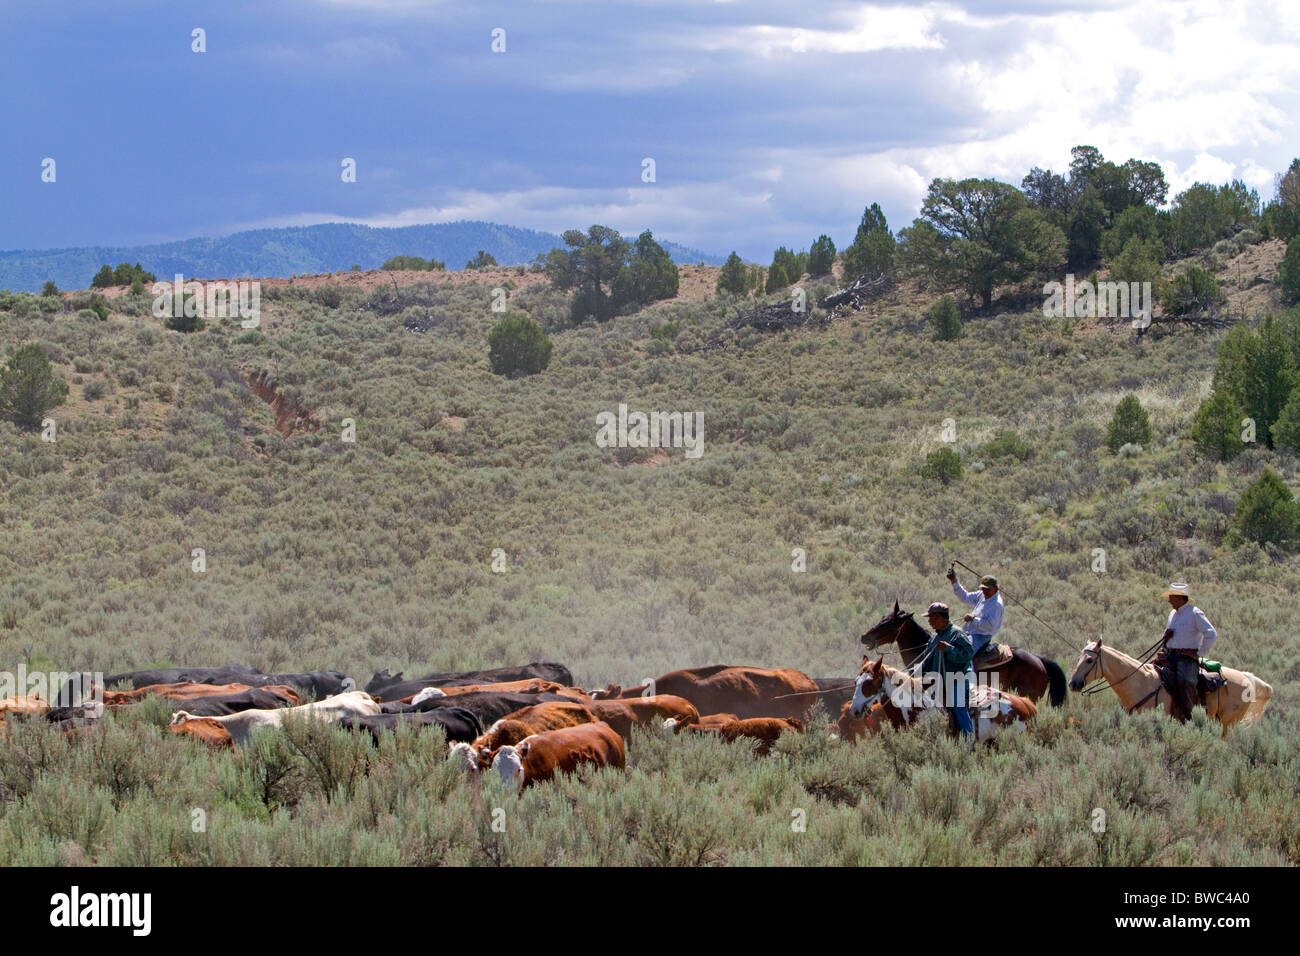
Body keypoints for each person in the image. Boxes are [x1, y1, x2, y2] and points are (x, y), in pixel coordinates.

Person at [1158, 583, 1218, 722]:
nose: (1169, 600)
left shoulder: (1195, 613)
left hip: (1187, 658)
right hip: (1170, 654)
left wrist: (1199, 653)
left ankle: (1192, 718)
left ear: (1179, 598)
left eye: (1171, 597)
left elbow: (1211, 634)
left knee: (1185, 681)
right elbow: (1169, 634)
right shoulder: (1173, 613)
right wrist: (1165, 642)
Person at [923, 602, 974, 737]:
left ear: (942, 618)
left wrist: (949, 649)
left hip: (958, 679)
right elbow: (927, 660)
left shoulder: (957, 634)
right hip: (938, 682)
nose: (929, 622)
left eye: (932, 618)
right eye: (929, 619)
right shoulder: (934, 637)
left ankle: (969, 738)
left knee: (958, 705)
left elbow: (968, 654)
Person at [947, 565, 1004, 662]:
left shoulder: (996, 605)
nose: (984, 591)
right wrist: (954, 581)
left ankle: (970, 676)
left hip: (981, 637)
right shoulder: (982, 595)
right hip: (968, 632)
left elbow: (990, 627)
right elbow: (965, 597)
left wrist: (973, 619)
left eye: (987, 589)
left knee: (965, 655)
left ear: (995, 588)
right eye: (983, 588)